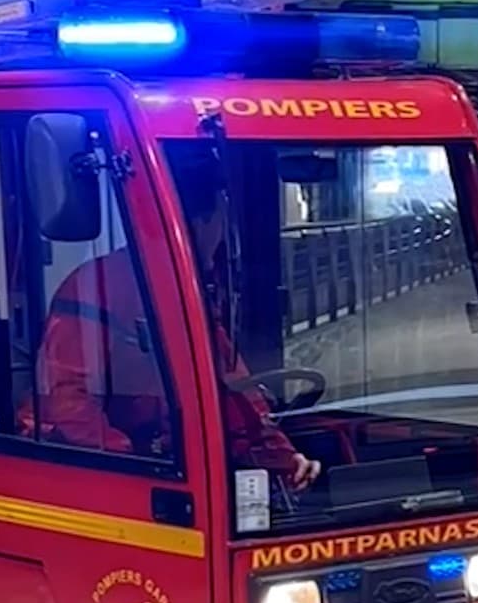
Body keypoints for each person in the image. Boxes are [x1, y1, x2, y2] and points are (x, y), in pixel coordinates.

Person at [27, 177, 319, 492]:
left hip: (160, 463)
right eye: (222, 222)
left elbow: (235, 390)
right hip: (84, 468)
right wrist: (134, 469)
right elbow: (68, 401)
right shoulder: (95, 287)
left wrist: (283, 459)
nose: (224, 239)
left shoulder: (188, 294)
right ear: (201, 222)